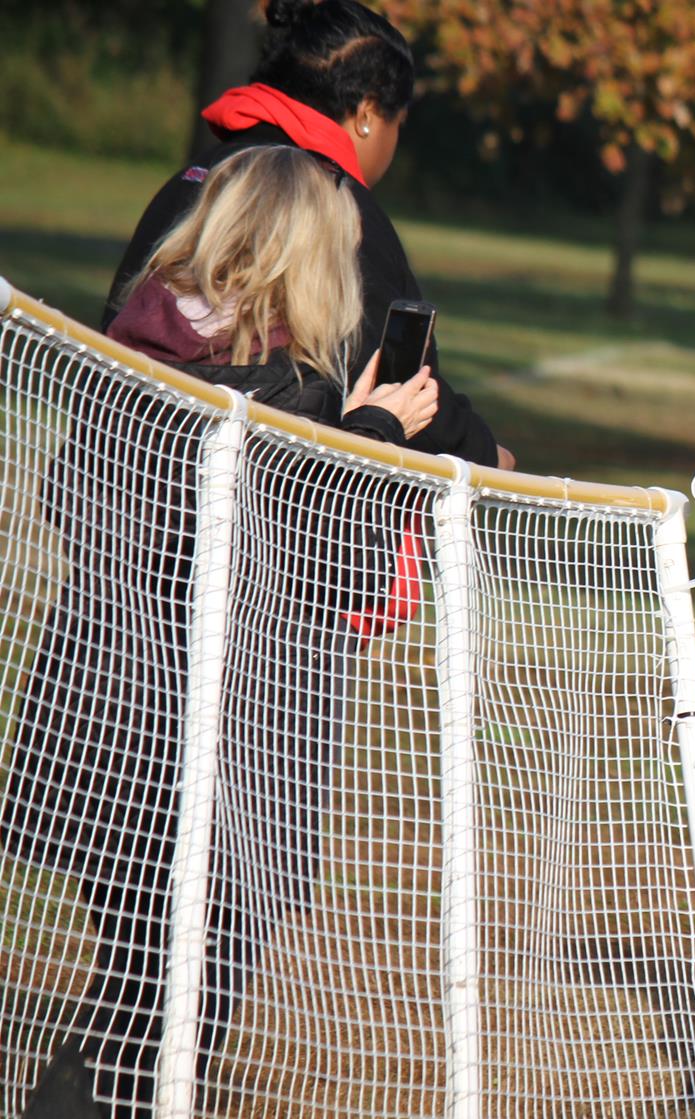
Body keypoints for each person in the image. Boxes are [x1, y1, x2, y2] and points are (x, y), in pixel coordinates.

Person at [7, 145, 437, 1118]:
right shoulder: (297, 399)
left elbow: (74, 498)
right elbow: (340, 569)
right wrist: (373, 436)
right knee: (182, 997)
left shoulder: (129, 344)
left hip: (104, 705)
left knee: (135, 977)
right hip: (227, 738)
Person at [104, 0, 507, 471]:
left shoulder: (194, 178)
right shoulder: (339, 208)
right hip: (258, 515)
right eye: (397, 125)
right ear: (368, 113)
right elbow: (397, 388)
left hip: (127, 488)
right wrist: (483, 453)